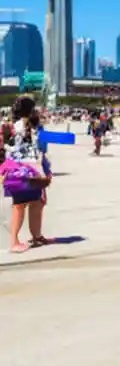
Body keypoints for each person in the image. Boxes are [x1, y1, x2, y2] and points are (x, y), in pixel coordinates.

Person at [5, 97, 51, 253]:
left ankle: (36, 236)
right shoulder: (36, 127)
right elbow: (43, 148)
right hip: (29, 171)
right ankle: (15, 241)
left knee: (33, 203)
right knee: (24, 205)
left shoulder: (10, 126)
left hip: (17, 170)